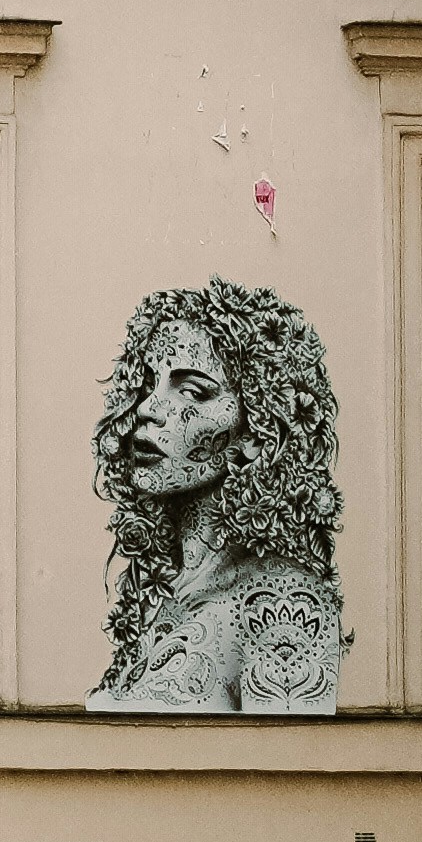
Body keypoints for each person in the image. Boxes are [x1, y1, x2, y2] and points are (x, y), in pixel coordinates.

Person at [86, 280, 345, 714]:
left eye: (191, 391)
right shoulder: (161, 591)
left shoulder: (285, 603)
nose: (149, 407)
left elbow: (291, 774)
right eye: (148, 384)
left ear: (256, 434)